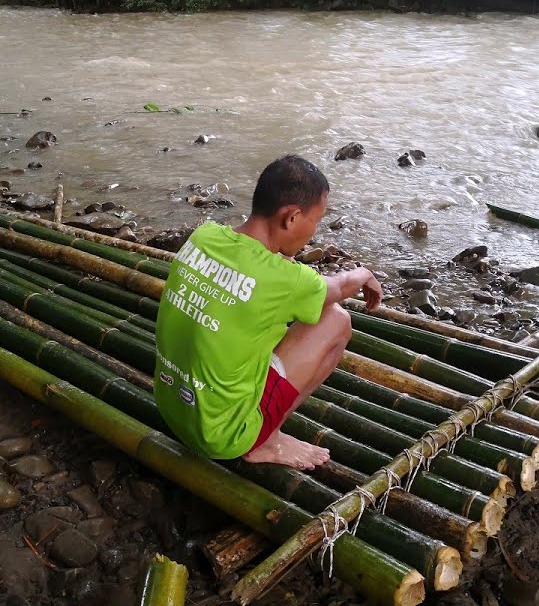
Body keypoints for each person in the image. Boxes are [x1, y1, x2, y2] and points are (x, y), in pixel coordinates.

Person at [154, 154, 383, 470]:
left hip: (171, 408)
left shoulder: (204, 235)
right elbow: (340, 288)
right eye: (315, 220)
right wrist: (365, 273)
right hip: (221, 435)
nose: (313, 232)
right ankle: (267, 439)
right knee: (336, 321)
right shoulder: (282, 280)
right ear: (291, 217)